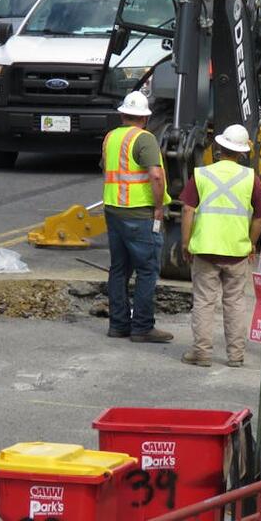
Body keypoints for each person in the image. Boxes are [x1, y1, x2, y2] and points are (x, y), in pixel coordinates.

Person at [179, 124, 261, 368]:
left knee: (204, 302)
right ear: (242, 152)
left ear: (219, 147)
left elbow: (188, 209)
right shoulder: (251, 178)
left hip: (205, 250)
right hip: (237, 253)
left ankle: (201, 353)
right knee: (235, 303)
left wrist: (186, 242)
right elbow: (260, 215)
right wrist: (251, 244)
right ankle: (236, 355)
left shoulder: (201, 174)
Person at [102, 90, 173, 343]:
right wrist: (158, 208)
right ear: (144, 118)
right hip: (139, 213)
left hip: (113, 209)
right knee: (147, 269)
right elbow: (155, 175)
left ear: (123, 114)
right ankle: (142, 326)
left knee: (119, 269)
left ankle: (118, 324)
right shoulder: (145, 139)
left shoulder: (111, 137)